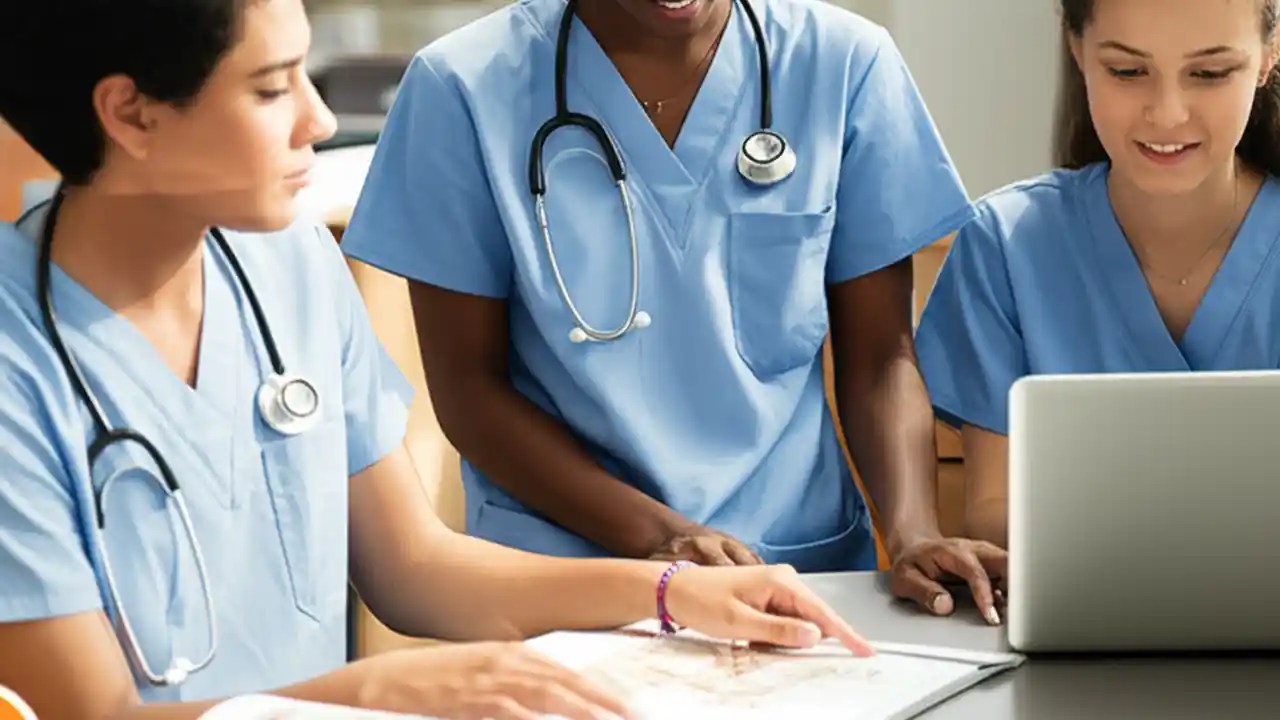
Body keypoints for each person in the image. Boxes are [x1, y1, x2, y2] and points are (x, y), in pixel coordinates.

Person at [0, 2, 879, 718]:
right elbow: (85, 711)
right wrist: (366, 692)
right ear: (131, 114)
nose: (318, 117)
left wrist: (672, 593)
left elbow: (414, 570)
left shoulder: (290, 266)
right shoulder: (17, 361)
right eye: (272, 90)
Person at [340, 0, 1007, 624]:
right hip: (568, 586)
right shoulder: (461, 88)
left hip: (800, 573)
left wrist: (915, 531)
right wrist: (666, 539)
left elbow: (881, 358)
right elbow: (468, 392)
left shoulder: (844, 66)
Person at [915, 0, 1280, 548]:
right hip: (1080, 623)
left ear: (1267, 59)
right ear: (1077, 49)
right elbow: (994, 510)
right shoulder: (1005, 246)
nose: (1167, 113)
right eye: (1128, 71)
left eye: (1209, 73)